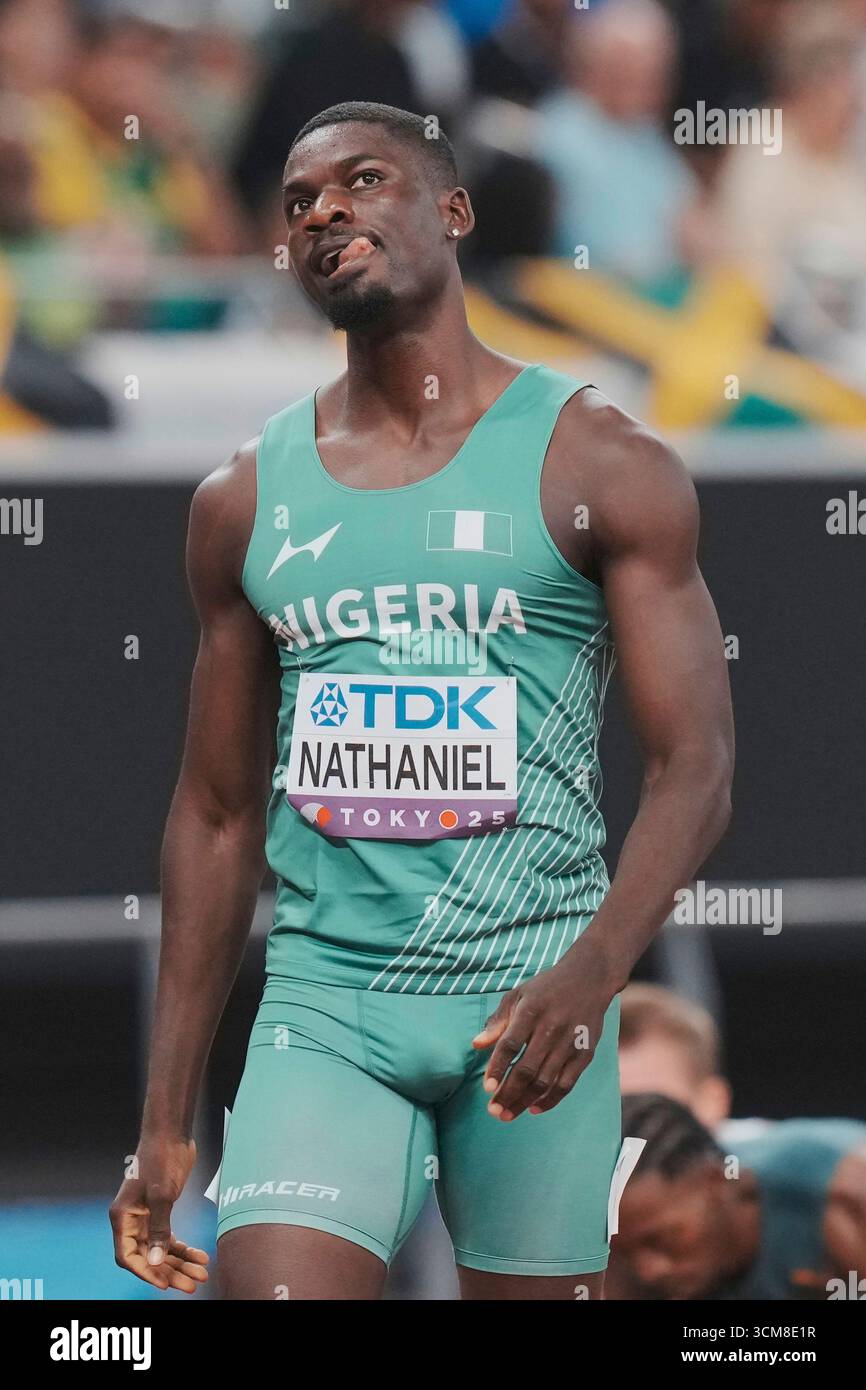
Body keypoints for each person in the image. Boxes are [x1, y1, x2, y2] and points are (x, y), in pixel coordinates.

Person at [109, 100, 733, 1301]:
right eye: (297, 203)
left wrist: (594, 970)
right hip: (326, 1005)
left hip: (534, 1002)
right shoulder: (240, 500)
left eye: (361, 181)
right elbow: (217, 815)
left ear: (451, 212)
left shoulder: (600, 463)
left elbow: (693, 766)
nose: (325, 211)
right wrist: (164, 1114)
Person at [611, 1093, 866, 1299]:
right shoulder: (636, 1234)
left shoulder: (841, 1197)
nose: (648, 1272)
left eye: (663, 1240)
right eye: (622, 1253)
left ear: (715, 1181)